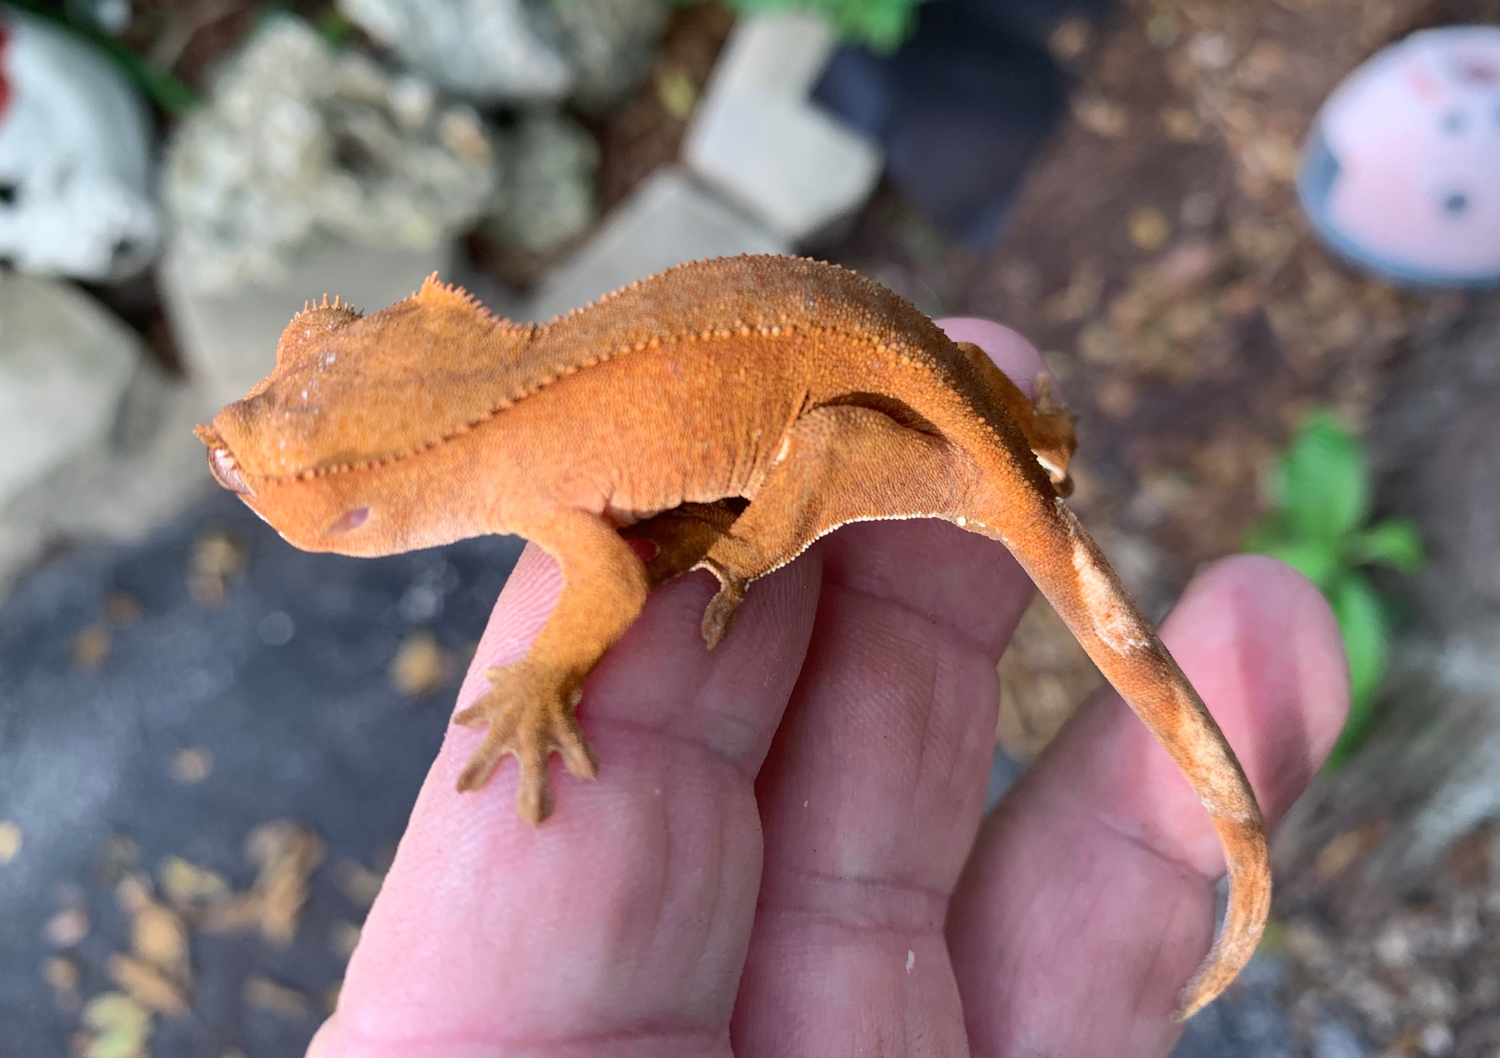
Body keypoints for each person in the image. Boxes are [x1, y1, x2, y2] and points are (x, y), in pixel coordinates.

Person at [308, 320, 1349, 1058]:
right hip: (899, 370)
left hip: (890, 421)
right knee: (938, 389)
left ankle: (984, 462)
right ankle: (1031, 439)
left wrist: (548, 674)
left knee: (856, 464)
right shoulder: (529, 401)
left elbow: (616, 575)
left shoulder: (517, 457)